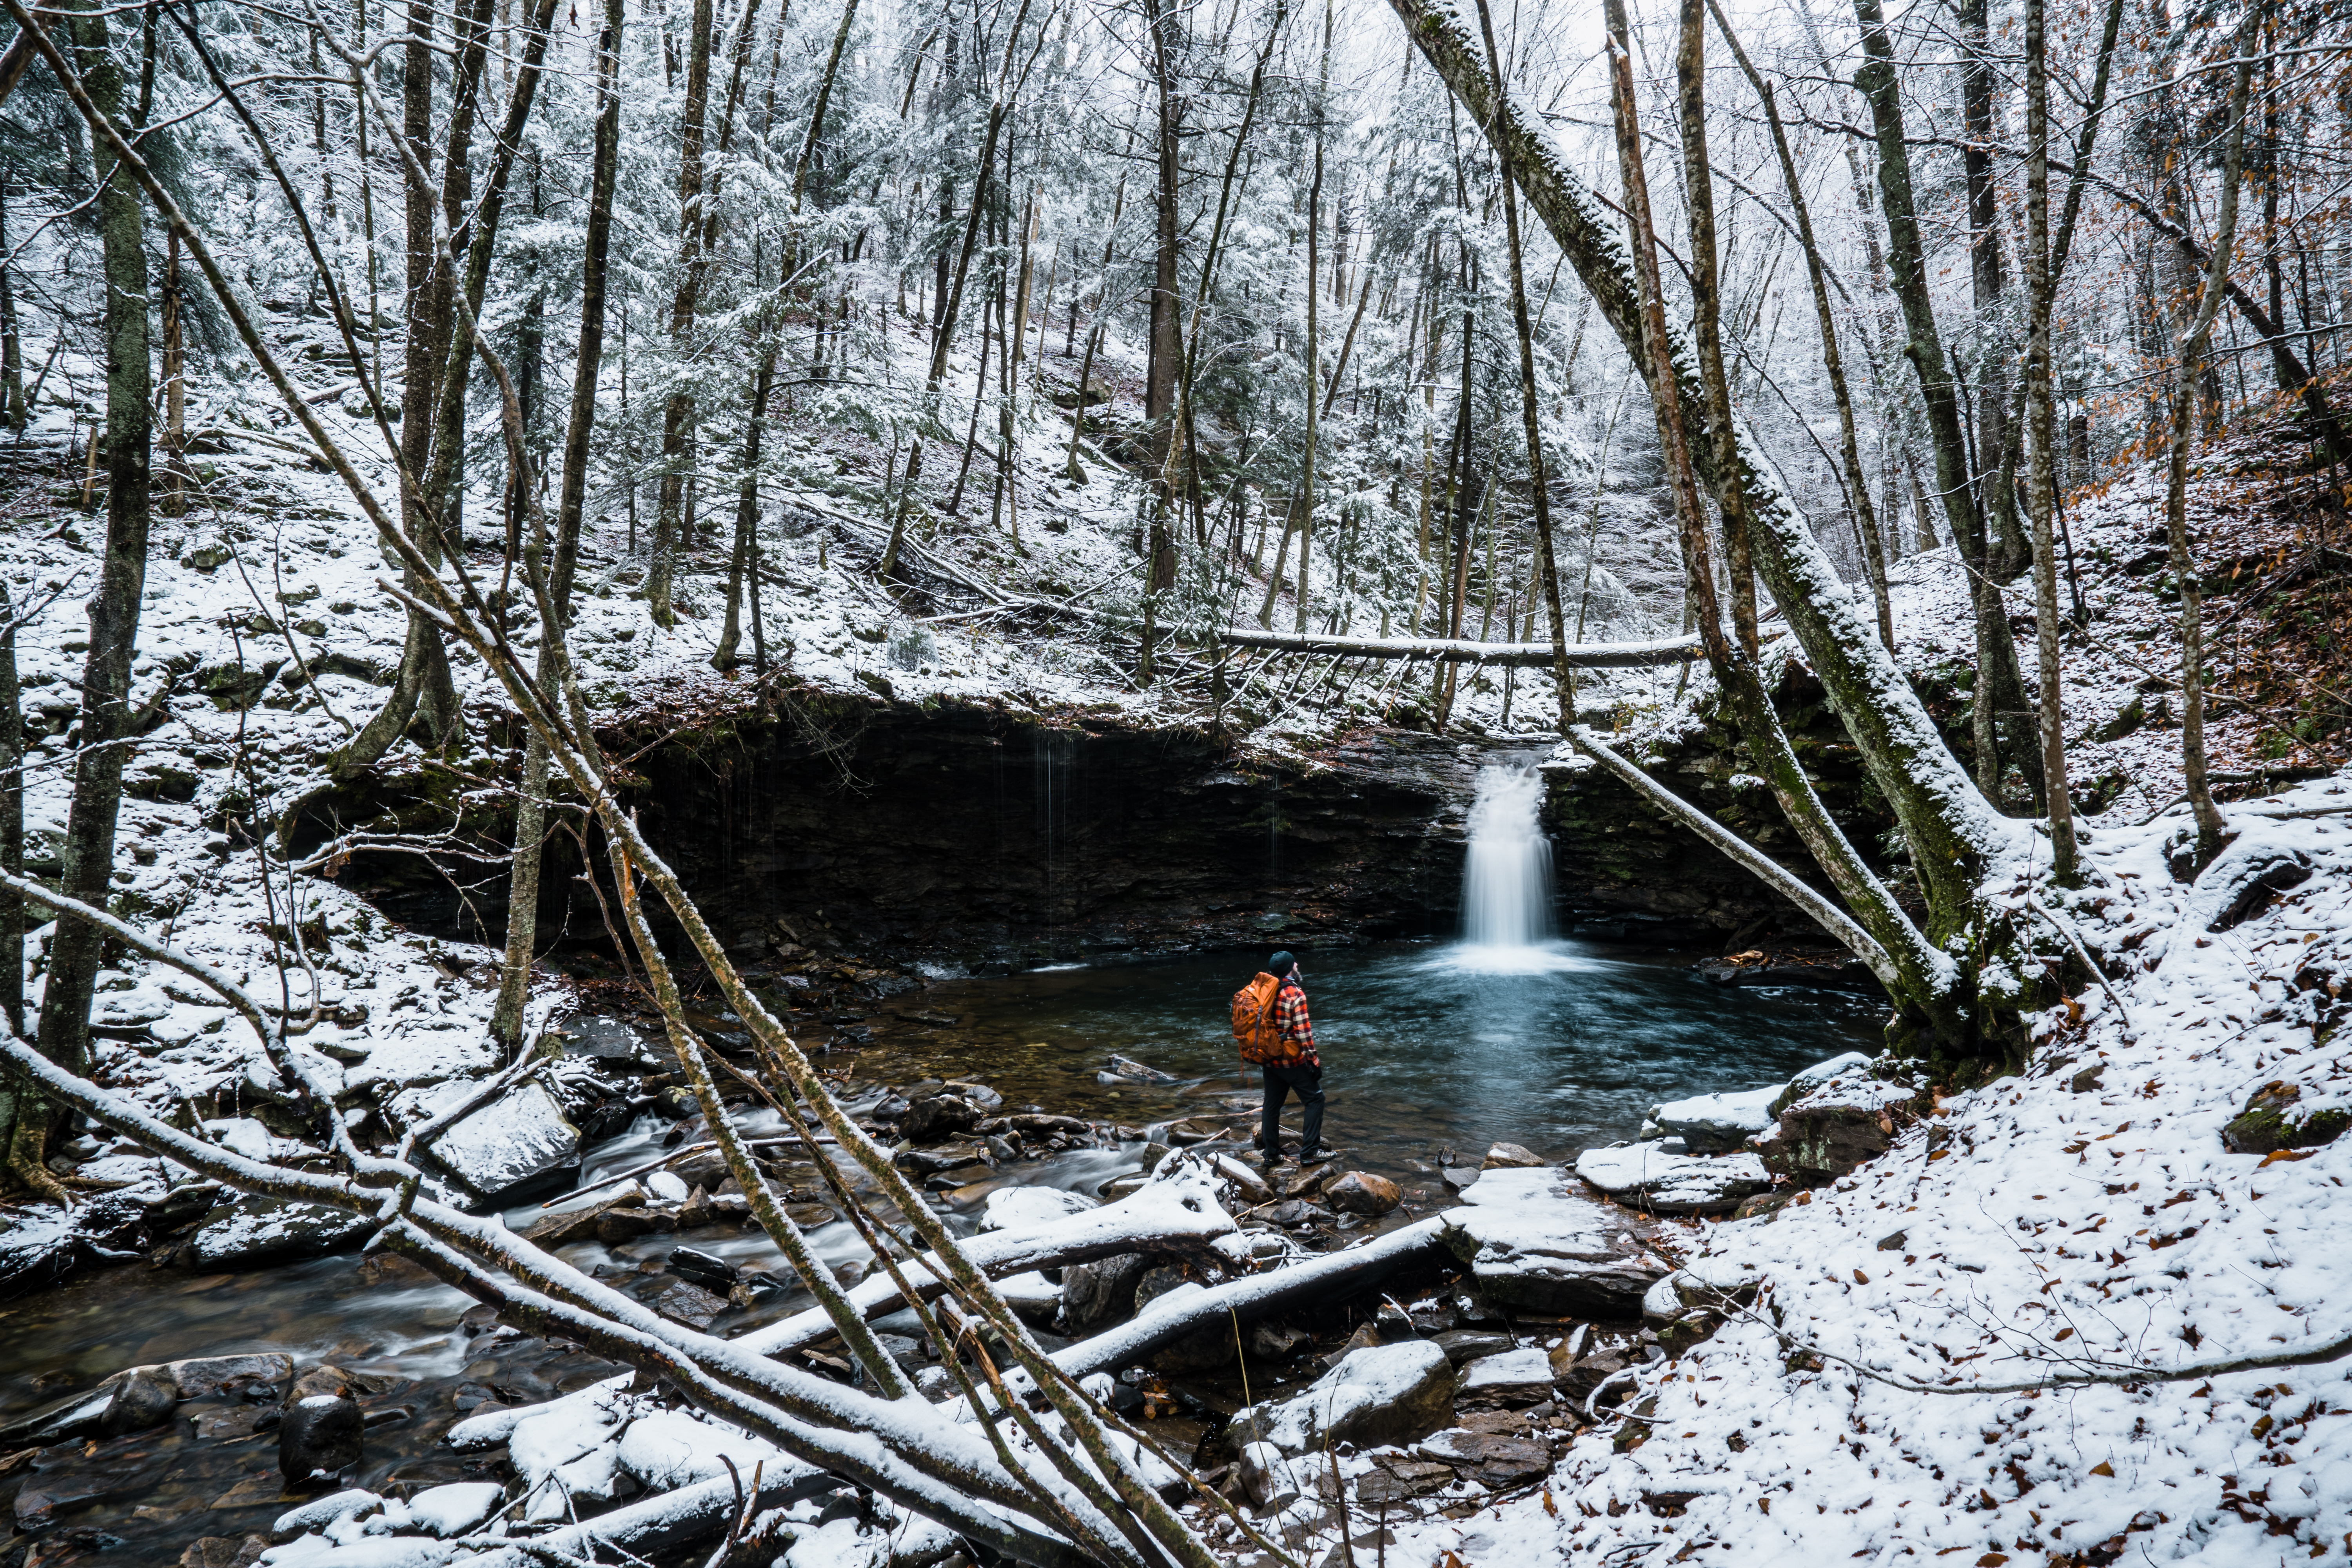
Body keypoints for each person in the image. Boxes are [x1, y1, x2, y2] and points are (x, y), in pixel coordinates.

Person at [1255, 950, 1324, 1166]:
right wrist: (1314, 1061)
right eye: (1295, 964)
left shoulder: (1263, 989)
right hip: (1289, 1060)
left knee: (1272, 1105)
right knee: (1315, 1099)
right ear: (1291, 969)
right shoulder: (1295, 994)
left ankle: (1272, 1154)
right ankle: (1310, 1153)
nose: (1298, 966)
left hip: (1268, 1057)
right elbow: (1304, 1033)